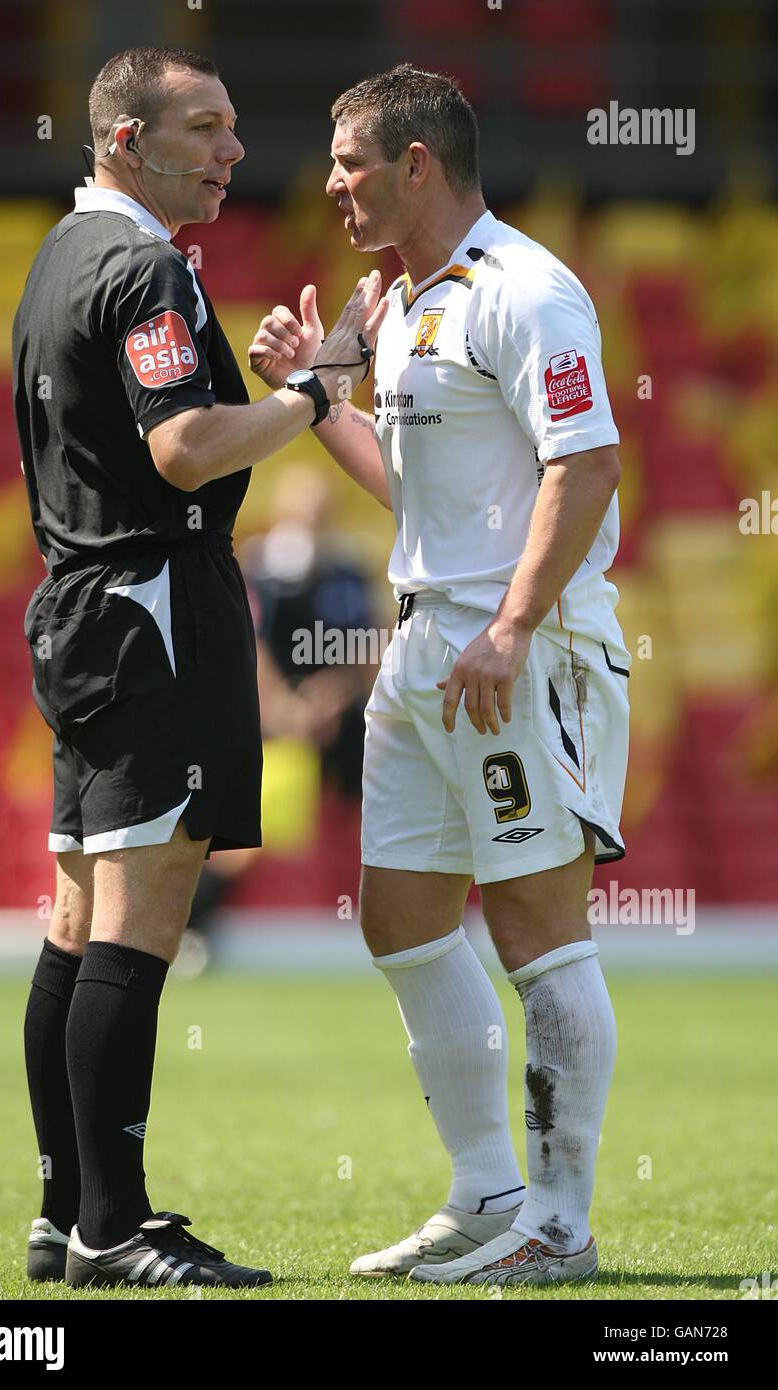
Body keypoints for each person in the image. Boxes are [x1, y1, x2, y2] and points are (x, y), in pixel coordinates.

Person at [249, 63, 630, 1288]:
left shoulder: (527, 288)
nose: (330, 185)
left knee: (536, 931)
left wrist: (512, 624)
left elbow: (588, 464)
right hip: (425, 649)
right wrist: (319, 396)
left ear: (417, 164)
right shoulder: (403, 307)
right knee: (400, 914)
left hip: (515, 649)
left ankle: (559, 1227)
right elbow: (418, 497)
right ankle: (485, 1193)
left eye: (349, 162)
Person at [13, 45, 385, 1290]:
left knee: (76, 921)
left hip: (82, 609)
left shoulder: (61, 254)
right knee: (137, 920)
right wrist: (318, 391)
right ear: (128, 141)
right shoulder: (143, 266)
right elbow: (183, 448)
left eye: (232, 125)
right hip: (151, 609)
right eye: (205, 127)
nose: (234, 150)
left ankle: (66, 1215)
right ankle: (114, 1229)